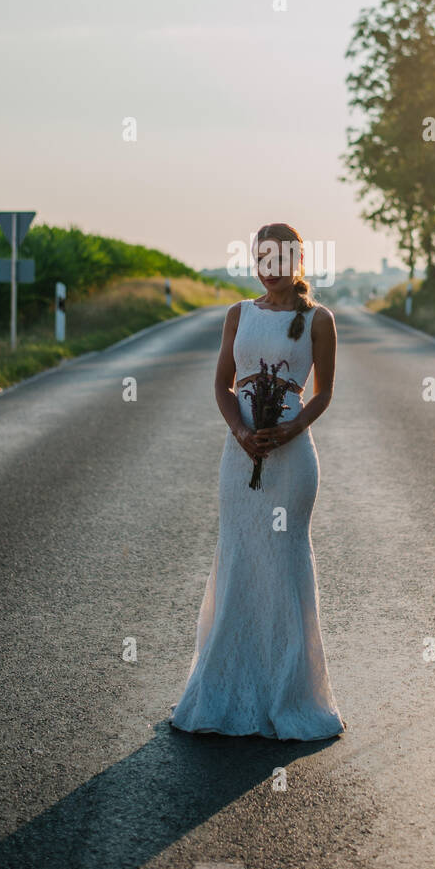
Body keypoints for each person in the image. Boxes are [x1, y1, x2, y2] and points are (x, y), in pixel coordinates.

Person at [170, 222, 345, 740]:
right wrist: (242, 431)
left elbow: (323, 393)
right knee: (240, 558)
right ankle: (225, 692)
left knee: (284, 564)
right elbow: (223, 386)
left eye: (279, 259)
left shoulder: (318, 320)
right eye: (261, 259)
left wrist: (289, 428)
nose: (269, 269)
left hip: (292, 464)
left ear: (297, 262)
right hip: (238, 452)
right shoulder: (238, 315)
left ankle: (289, 696)